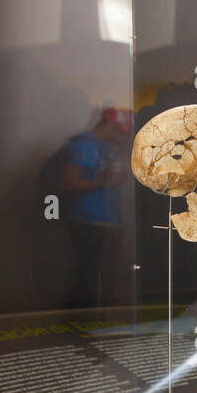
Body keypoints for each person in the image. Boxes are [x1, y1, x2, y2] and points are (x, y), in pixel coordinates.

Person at [54, 107, 134, 307]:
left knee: (101, 277)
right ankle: (80, 324)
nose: (122, 137)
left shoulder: (102, 147)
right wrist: (104, 182)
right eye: (119, 131)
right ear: (107, 124)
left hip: (104, 222)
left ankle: (91, 323)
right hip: (89, 222)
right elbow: (68, 182)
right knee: (87, 278)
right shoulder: (85, 146)